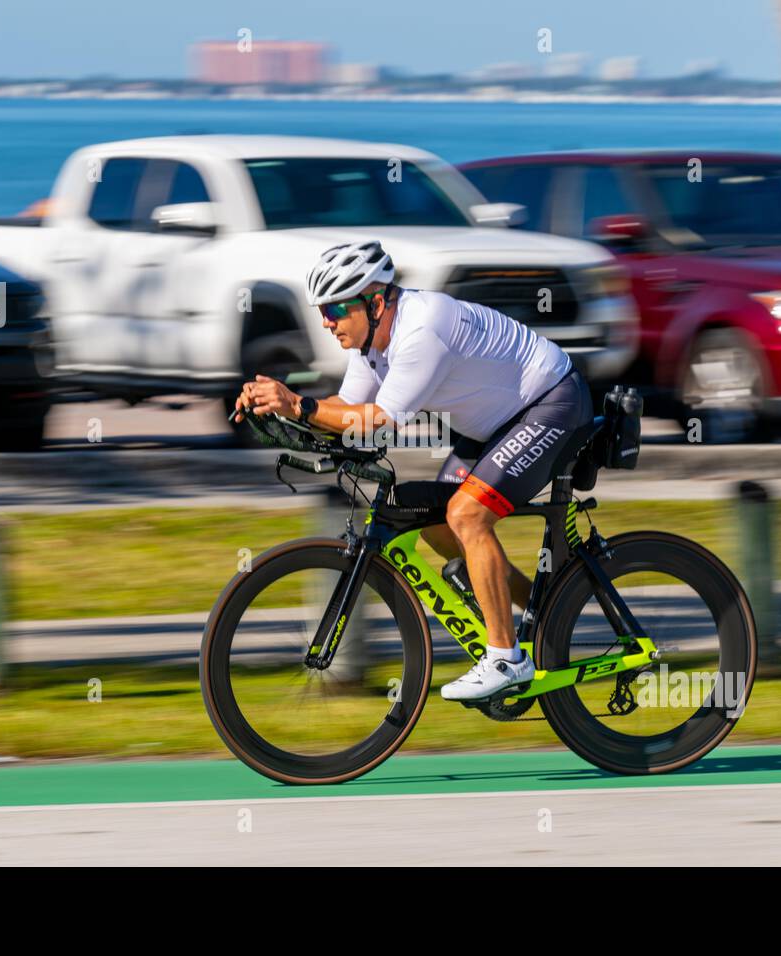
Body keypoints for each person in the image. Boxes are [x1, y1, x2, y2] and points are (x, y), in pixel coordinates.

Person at [234, 240, 594, 701]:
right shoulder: (370, 344)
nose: (327, 321)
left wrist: (298, 404)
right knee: (437, 525)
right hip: (496, 423)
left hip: (552, 404)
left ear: (376, 302)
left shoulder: (422, 329)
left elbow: (378, 421)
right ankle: (543, 616)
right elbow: (348, 411)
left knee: (467, 515)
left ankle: (506, 657)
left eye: (336, 309)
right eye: (323, 309)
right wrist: (278, 410)